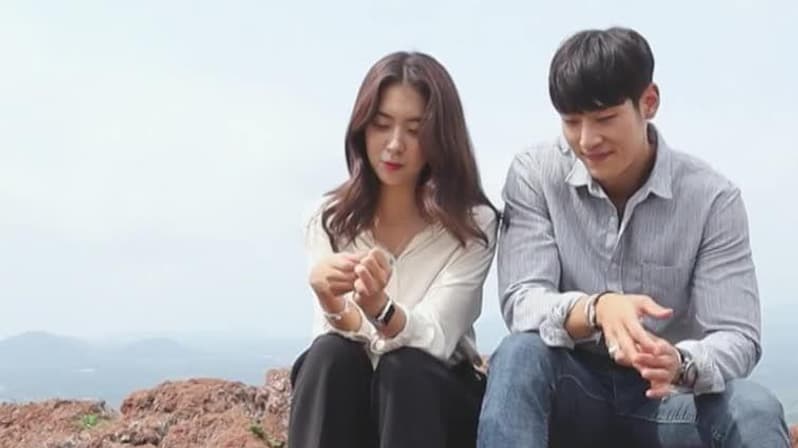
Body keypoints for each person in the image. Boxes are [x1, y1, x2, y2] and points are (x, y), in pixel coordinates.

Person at [478, 27, 790, 447]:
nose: (587, 140)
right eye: (571, 122)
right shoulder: (535, 174)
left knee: (754, 408)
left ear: (649, 102)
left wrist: (680, 362)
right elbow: (522, 299)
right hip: (573, 389)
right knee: (519, 355)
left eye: (604, 119)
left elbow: (737, 334)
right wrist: (596, 309)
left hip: (667, 400)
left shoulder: (712, 199)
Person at [288, 51, 499, 448]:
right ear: (361, 129)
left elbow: (437, 337)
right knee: (330, 355)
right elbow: (335, 336)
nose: (395, 144)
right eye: (381, 125)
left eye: (415, 130)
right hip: (354, 400)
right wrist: (328, 299)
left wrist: (381, 310)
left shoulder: (473, 225)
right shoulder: (327, 219)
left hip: (433, 404)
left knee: (405, 368)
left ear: (441, 138)